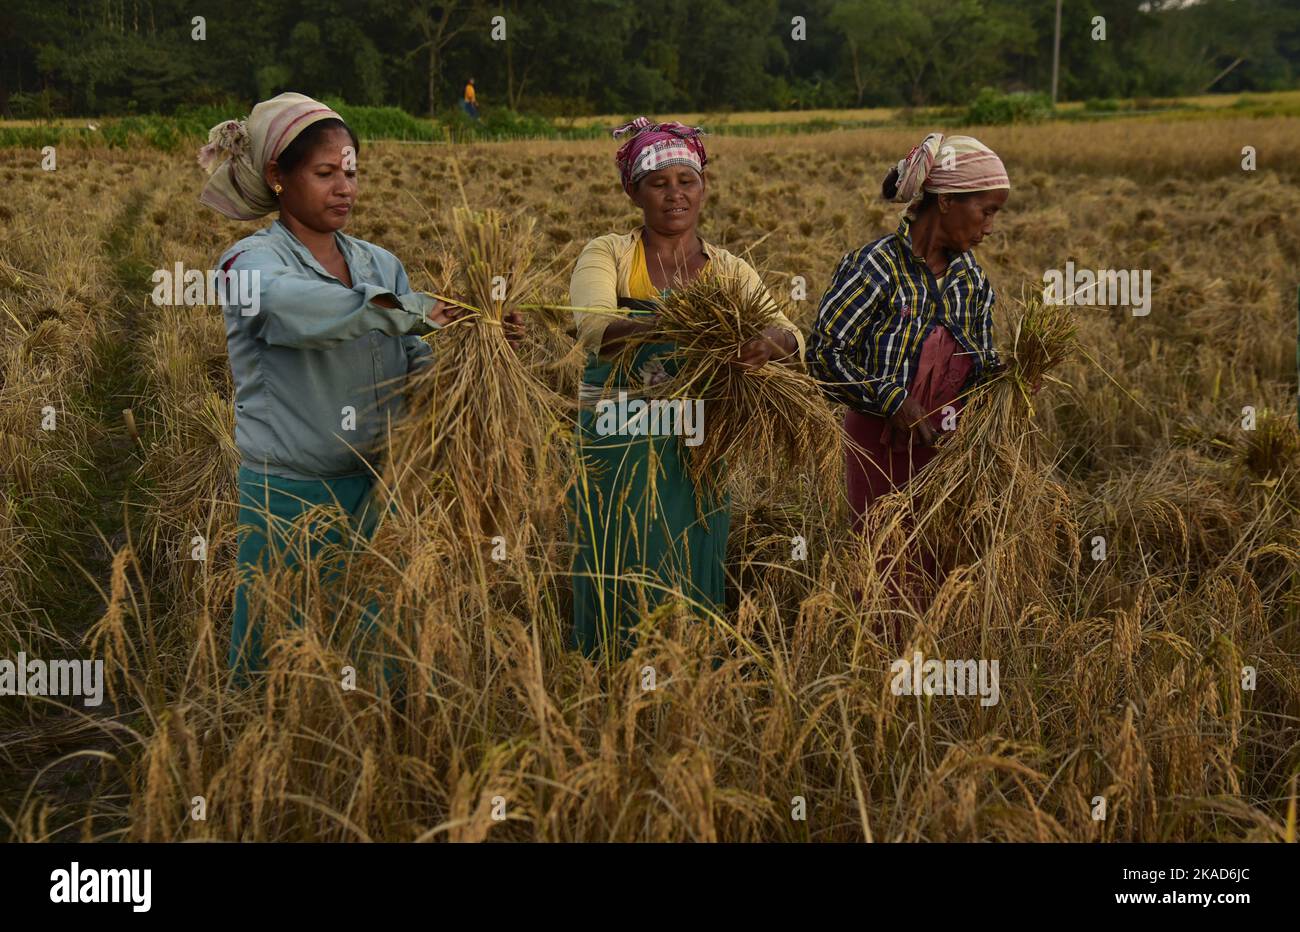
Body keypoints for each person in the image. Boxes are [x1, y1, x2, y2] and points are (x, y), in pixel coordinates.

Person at [198, 92, 460, 682]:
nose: (344, 187)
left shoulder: (379, 265)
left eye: (351, 172)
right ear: (278, 176)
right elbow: (289, 310)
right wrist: (409, 310)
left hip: (380, 489)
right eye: (324, 174)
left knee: (371, 653)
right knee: (284, 656)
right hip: (290, 495)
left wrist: (477, 350)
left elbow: (411, 361)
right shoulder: (248, 262)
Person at [568, 117, 805, 658]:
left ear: (704, 186)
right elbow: (596, 328)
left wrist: (767, 345)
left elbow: (789, 332)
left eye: (687, 180)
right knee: (620, 544)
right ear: (633, 191)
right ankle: (609, 664)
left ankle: (687, 663)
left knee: (691, 544)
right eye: (659, 183)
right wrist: (687, 323)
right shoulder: (608, 253)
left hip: (697, 439)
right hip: (618, 432)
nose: (675, 194)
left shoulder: (728, 269)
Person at [806, 132, 1011, 603]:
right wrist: (892, 399)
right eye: (986, 210)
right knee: (885, 559)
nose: (990, 228)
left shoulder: (971, 279)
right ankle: (880, 661)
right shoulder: (875, 267)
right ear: (945, 202)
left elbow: (980, 362)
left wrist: (1009, 381)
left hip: (949, 446)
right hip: (880, 443)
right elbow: (824, 354)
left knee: (946, 558)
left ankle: (935, 652)